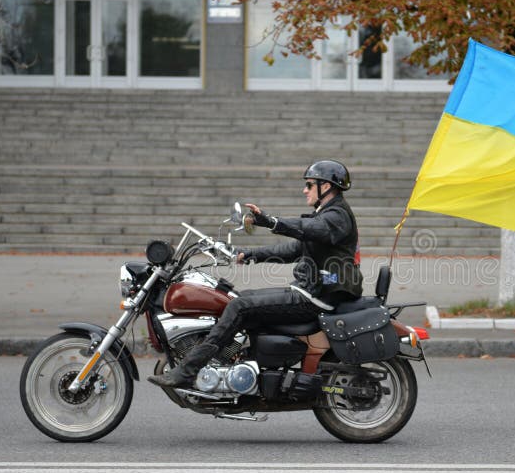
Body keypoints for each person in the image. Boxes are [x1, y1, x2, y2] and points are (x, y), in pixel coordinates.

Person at [148, 159, 363, 388]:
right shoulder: (328, 214)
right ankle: (244, 367)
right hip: (311, 291)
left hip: (317, 296)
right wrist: (248, 255)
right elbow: (293, 249)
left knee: (239, 306)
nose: (305, 190)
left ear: (326, 186)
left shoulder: (336, 216)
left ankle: (188, 370)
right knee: (239, 298)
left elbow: (306, 228)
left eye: (309, 185)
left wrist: (271, 222)